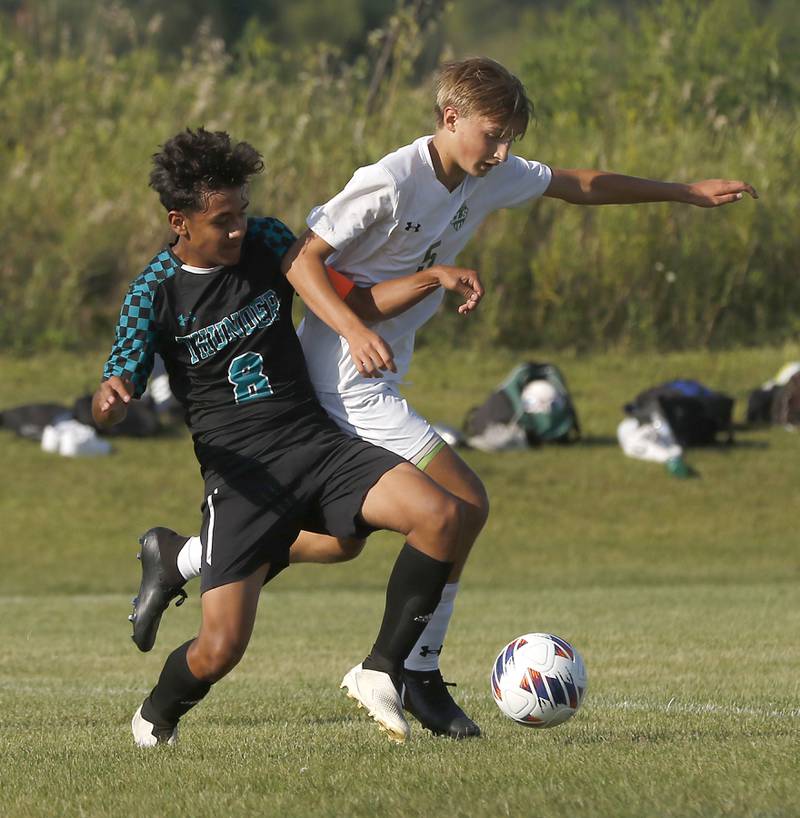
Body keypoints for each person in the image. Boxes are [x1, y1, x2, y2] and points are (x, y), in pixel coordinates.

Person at [131, 57, 758, 739]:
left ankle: (191, 558)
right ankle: (404, 671)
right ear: (449, 118)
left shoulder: (491, 173)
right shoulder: (389, 181)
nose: (503, 152)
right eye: (492, 135)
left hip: (375, 376)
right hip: (342, 377)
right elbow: (303, 259)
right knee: (462, 505)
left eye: (510, 137)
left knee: (344, 542)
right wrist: (352, 329)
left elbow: (578, 183)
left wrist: (685, 192)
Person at [94, 127, 482, 746]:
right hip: (245, 479)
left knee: (440, 515)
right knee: (220, 649)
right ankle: (155, 715)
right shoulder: (153, 294)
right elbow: (118, 376)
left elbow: (344, 294)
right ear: (180, 221)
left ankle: (382, 669)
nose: (239, 228)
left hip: (317, 442)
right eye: (223, 220)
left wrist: (421, 282)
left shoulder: (270, 239)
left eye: (242, 212)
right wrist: (110, 400)